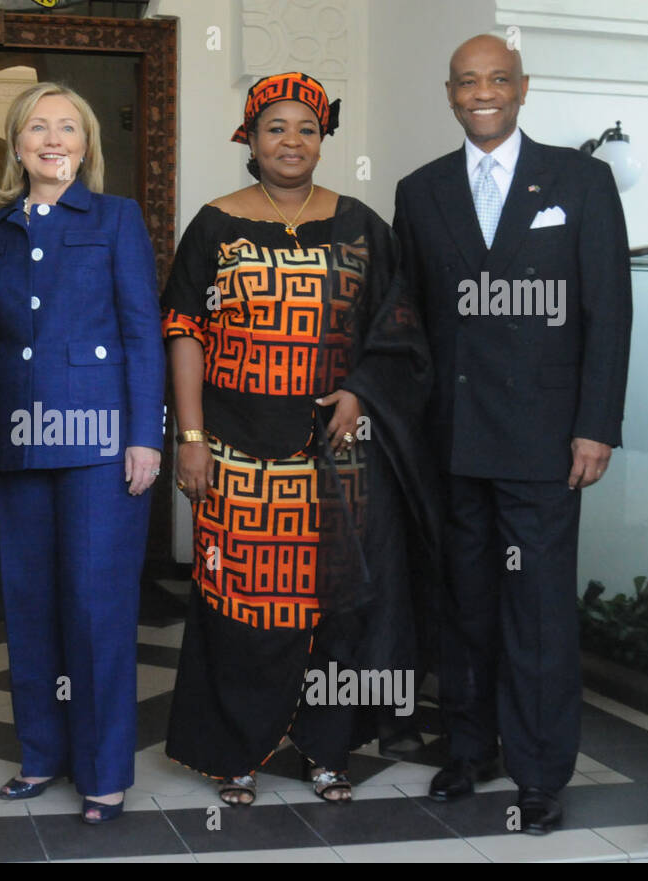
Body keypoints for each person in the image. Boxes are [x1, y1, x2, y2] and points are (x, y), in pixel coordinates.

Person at [163, 73, 437, 806]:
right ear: (249, 139)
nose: (291, 141)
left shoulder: (360, 225)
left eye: (307, 128)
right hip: (233, 448)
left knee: (336, 603)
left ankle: (326, 749)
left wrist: (361, 390)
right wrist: (190, 437)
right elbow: (185, 332)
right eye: (275, 127)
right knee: (239, 604)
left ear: (323, 139)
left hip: (338, 455)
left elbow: (399, 329)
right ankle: (236, 751)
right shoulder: (215, 224)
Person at [393, 35, 631, 834]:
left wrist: (596, 425)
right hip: (454, 439)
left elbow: (608, 312)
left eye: (497, 79)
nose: (482, 93)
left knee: (537, 610)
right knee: (464, 600)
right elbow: (412, 322)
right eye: (467, 82)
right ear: (450, 93)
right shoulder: (419, 191)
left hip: (544, 441)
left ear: (521, 89)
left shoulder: (581, 180)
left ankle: (538, 773)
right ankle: (468, 748)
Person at [0, 82, 165, 824]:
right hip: (17, 442)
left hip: (99, 446)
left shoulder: (116, 219)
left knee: (96, 607)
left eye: (69, 129)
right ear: (17, 143)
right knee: (28, 605)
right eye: (39, 127)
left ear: (86, 146)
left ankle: (105, 771)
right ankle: (41, 753)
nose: (54, 139)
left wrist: (148, 435)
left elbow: (144, 331)